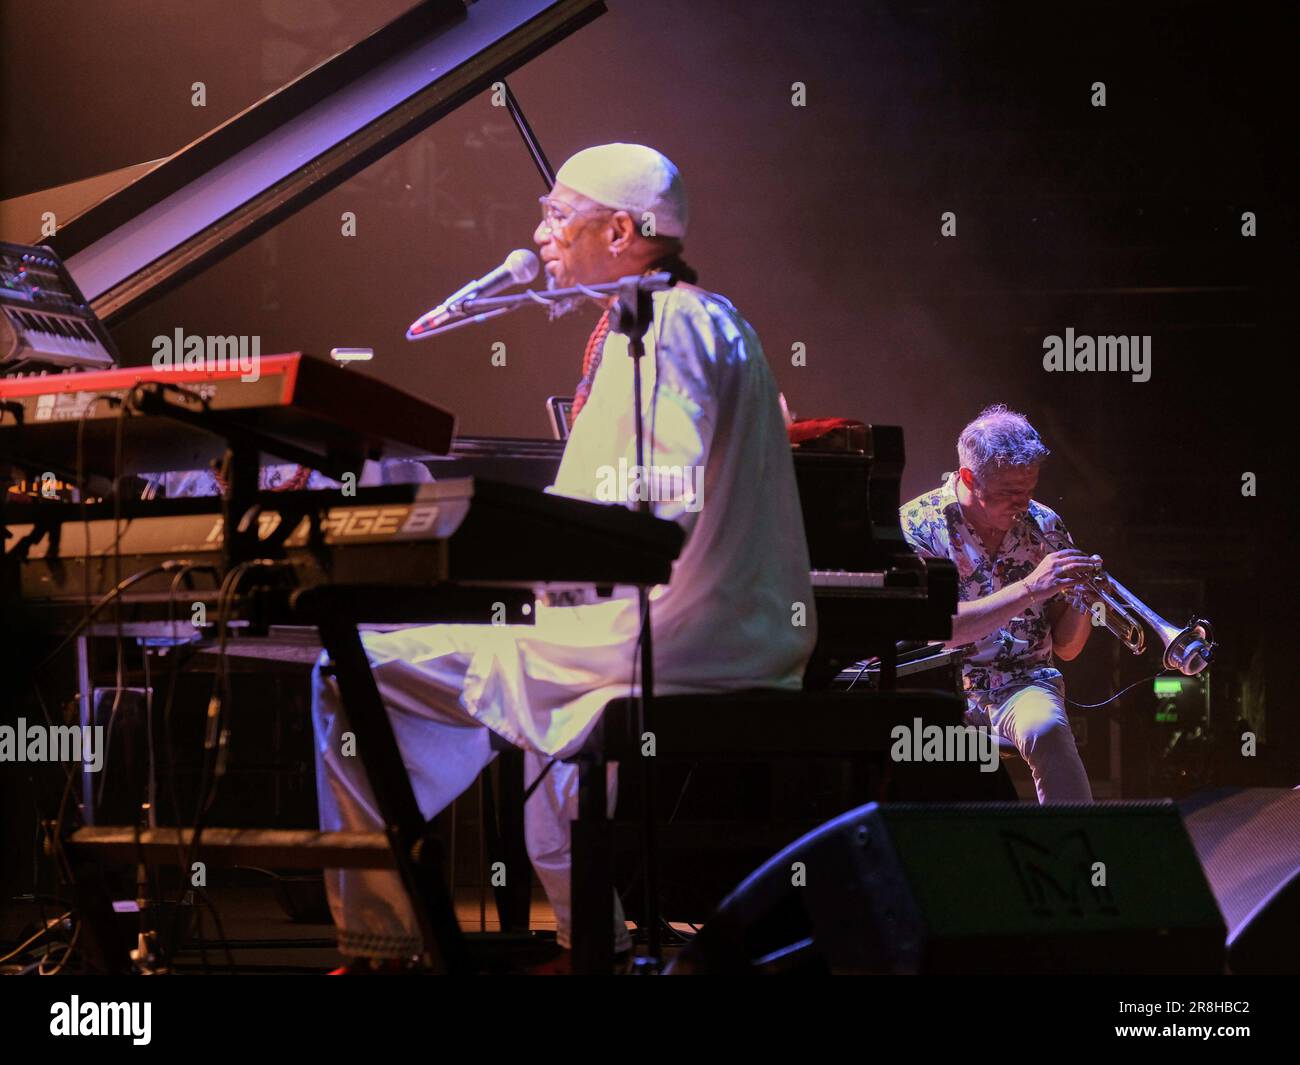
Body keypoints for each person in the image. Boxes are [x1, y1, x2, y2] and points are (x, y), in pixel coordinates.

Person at [313, 143, 816, 969]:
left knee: (349, 672)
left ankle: (380, 947)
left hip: (666, 639)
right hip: (729, 633)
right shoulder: (704, 318)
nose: (539, 235)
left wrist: (491, 547)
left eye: (556, 215)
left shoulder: (662, 327)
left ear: (619, 230)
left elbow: (655, 508)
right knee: (551, 740)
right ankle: (599, 949)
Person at [899, 404, 1096, 802]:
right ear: (969, 478)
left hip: (1023, 682)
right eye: (1010, 493)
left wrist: (1083, 602)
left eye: (1030, 490)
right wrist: (1030, 587)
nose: (1024, 504)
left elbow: (1068, 649)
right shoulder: (917, 524)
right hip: (940, 685)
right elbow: (938, 629)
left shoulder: (1045, 523)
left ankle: (1079, 854)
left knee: (1048, 732)